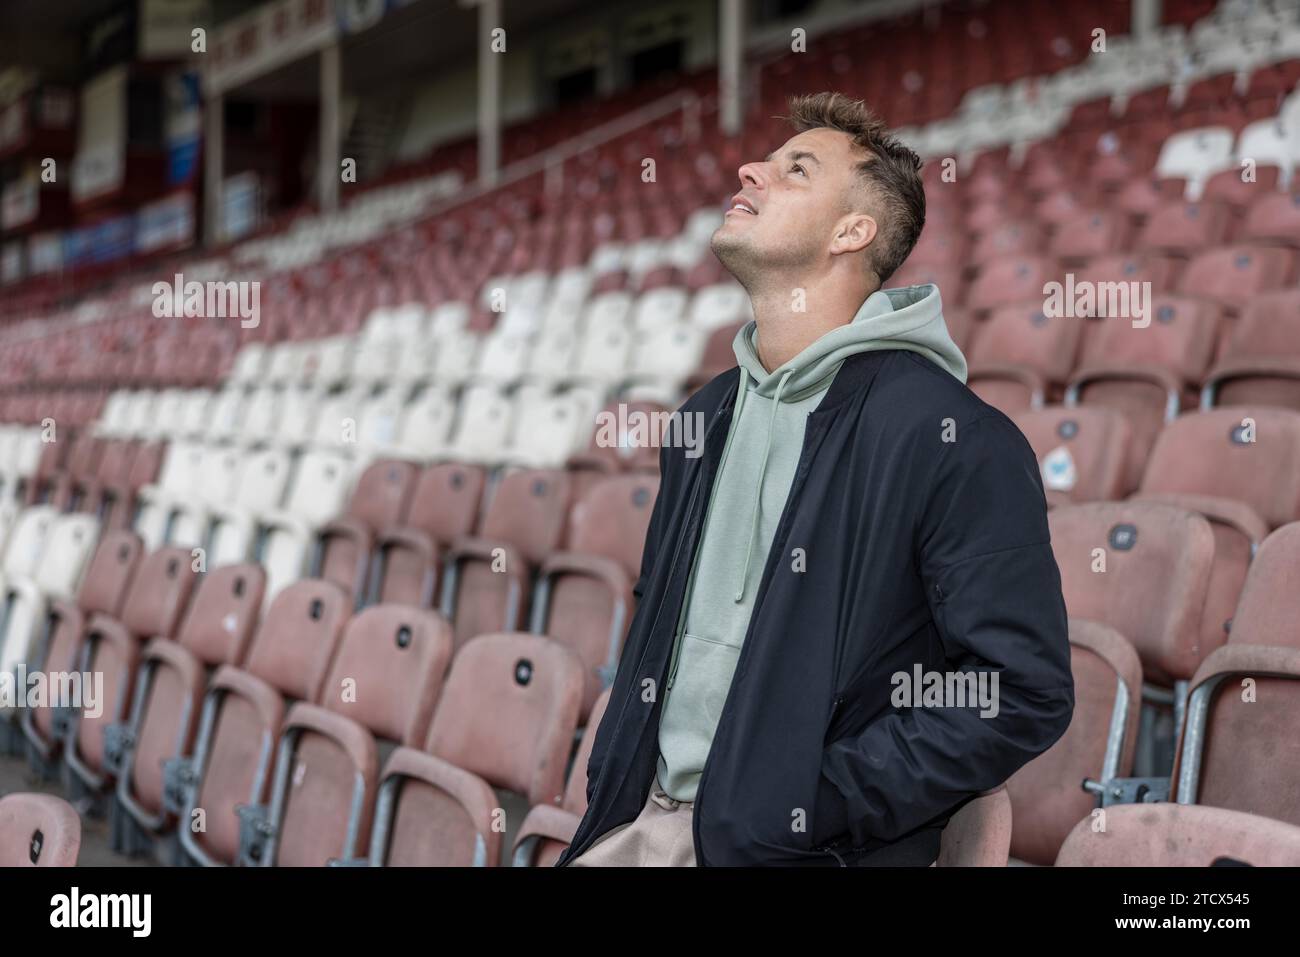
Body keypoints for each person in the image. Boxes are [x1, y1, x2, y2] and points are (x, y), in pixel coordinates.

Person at [557, 92, 1073, 867]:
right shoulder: (706, 419)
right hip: (638, 827)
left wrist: (808, 800)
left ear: (853, 231)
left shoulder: (954, 439)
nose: (750, 170)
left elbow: (1018, 690)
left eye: (795, 169)